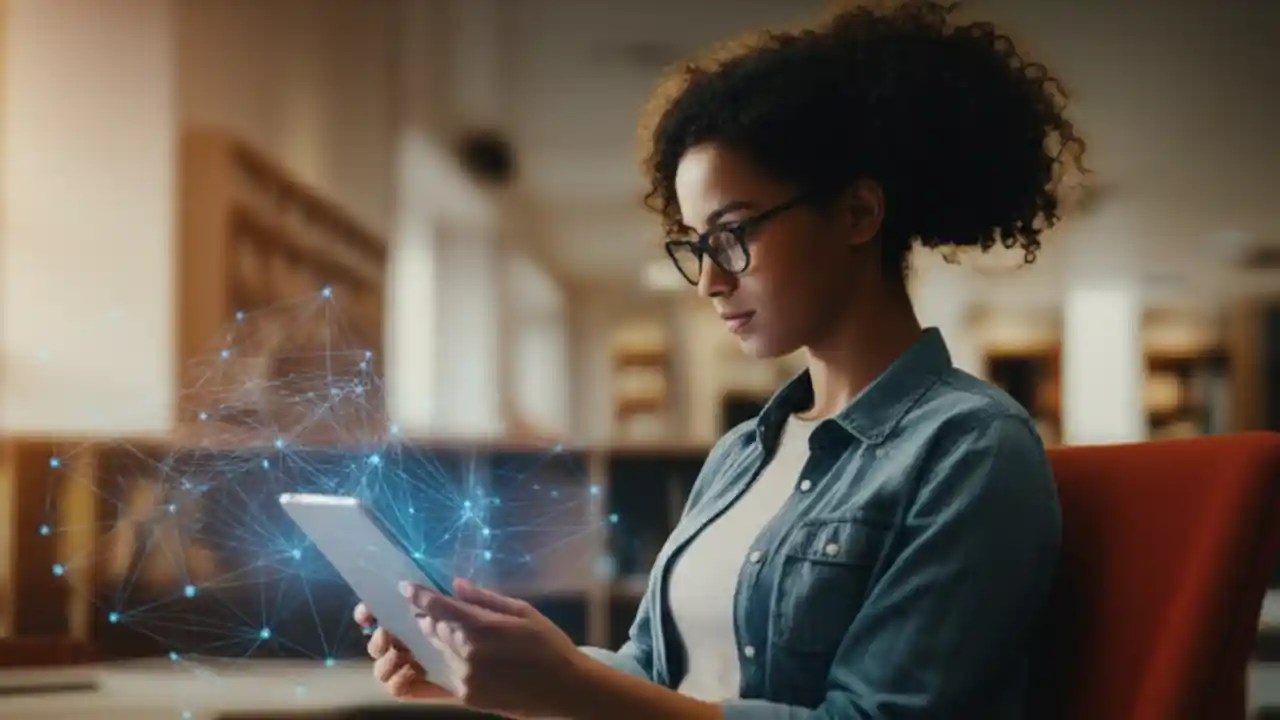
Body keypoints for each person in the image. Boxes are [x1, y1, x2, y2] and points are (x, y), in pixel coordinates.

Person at [355, 1, 1083, 717]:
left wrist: (570, 685)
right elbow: (654, 675)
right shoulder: (742, 453)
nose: (709, 280)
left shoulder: (970, 448)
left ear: (859, 214)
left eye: (734, 233)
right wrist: (505, 673)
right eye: (698, 245)